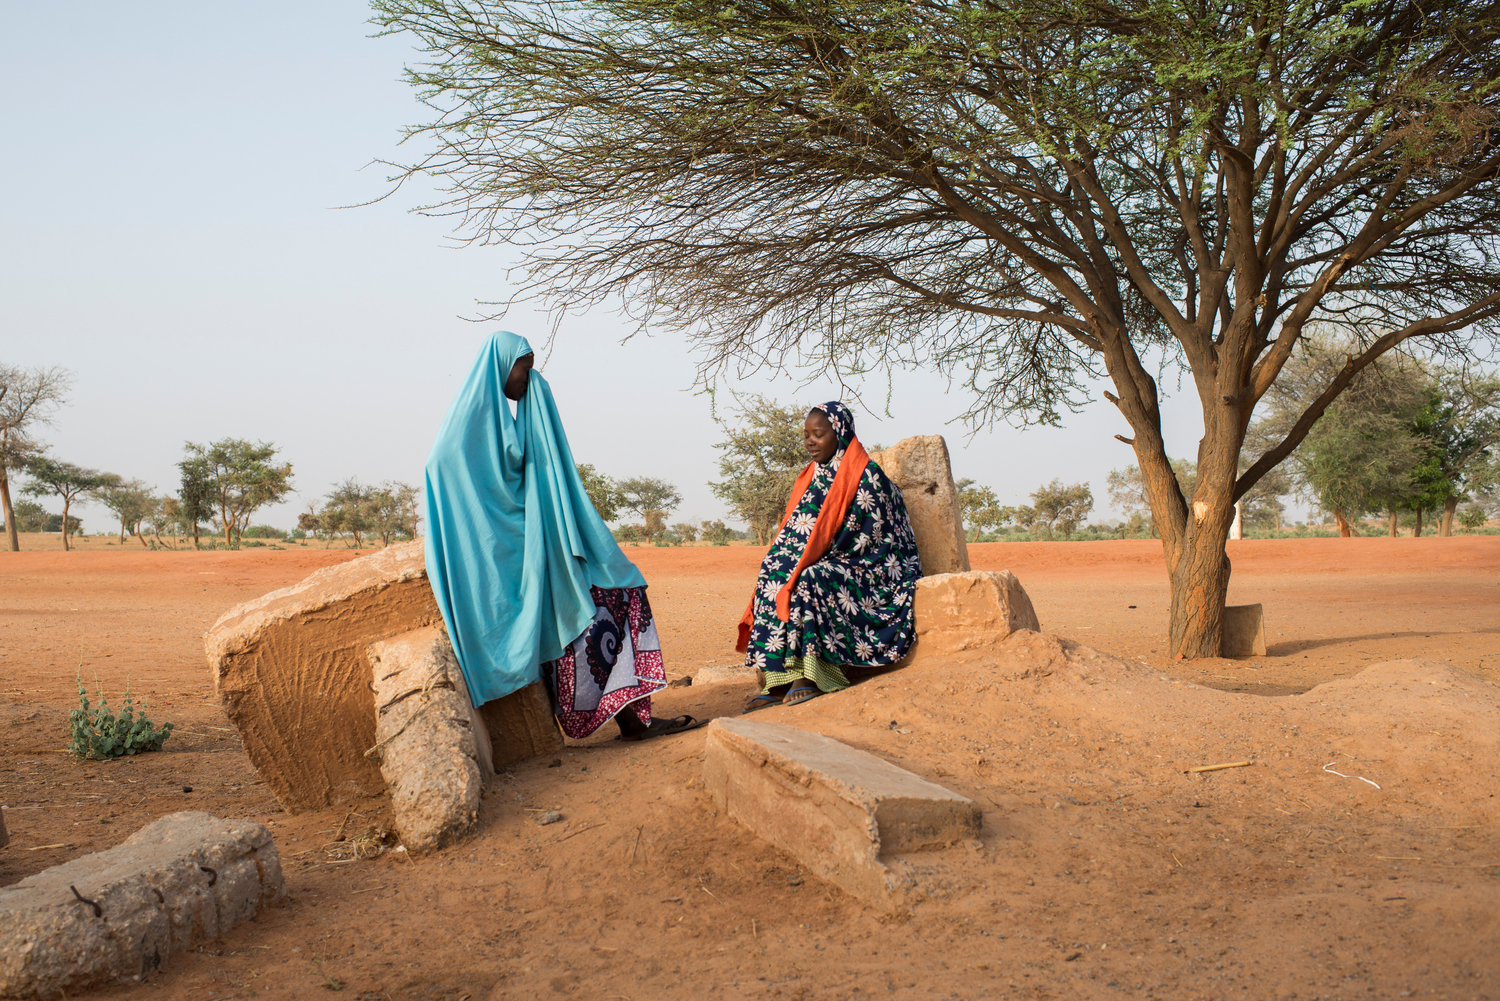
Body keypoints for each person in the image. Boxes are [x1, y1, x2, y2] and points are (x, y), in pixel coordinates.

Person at [424, 331, 706, 741]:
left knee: (621, 590)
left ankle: (632, 719)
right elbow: (455, 487)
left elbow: (531, 483)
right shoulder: (459, 439)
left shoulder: (512, 426)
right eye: (525, 366)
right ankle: (630, 722)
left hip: (538, 554)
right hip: (506, 565)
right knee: (596, 607)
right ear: (502, 366)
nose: (528, 376)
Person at [737, 402, 922, 710]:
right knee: (774, 569)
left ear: (840, 433)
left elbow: (872, 541)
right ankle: (778, 678)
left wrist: (814, 557)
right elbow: (798, 531)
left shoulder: (867, 477)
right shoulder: (811, 477)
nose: (810, 441)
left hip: (870, 570)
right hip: (828, 558)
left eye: (818, 434)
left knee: (810, 576)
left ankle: (812, 675)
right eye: (806, 435)